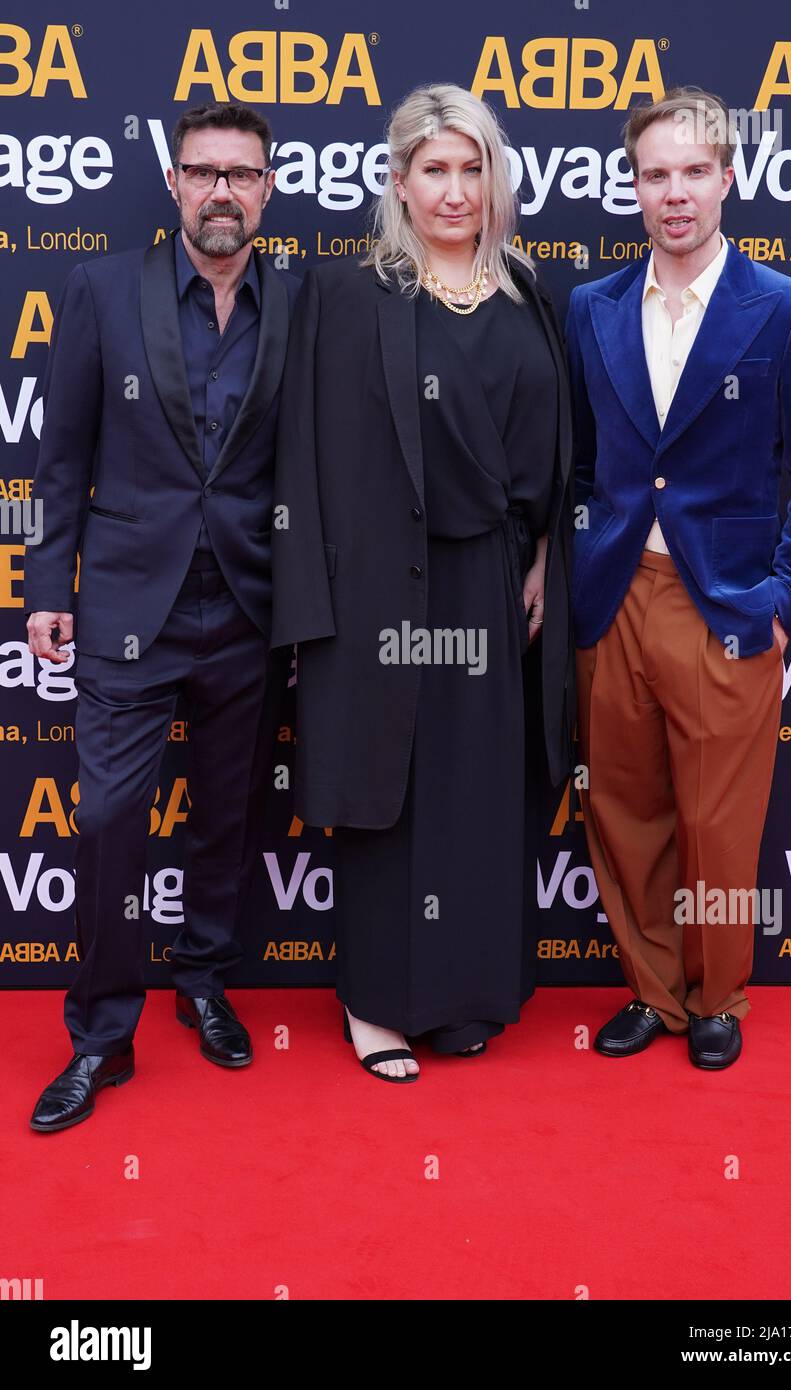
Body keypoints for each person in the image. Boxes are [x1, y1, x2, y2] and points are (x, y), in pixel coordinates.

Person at [270, 83, 574, 1082]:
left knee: (478, 795)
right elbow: (306, 464)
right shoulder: (353, 296)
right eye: (433, 170)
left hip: (495, 587)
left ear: (495, 179)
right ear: (398, 183)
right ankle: (377, 1005)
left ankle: (459, 994)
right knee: (389, 795)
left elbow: (557, 459)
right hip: (382, 593)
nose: (453, 191)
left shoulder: (535, 292)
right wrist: (312, 617)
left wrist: (535, 560)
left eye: (470, 168)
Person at [25, 101, 300, 1131]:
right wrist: (48, 590)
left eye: (241, 174)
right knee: (104, 818)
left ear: (267, 191)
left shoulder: (300, 303)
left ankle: (203, 976)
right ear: (175, 184)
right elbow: (59, 463)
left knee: (227, 814)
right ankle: (101, 1032)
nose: (221, 190)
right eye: (203, 172)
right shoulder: (102, 290)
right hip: (130, 605)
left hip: (248, 603)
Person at [565, 87, 791, 1069]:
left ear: (726, 178)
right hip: (612, 602)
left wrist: (788, 601)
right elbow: (580, 461)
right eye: (654, 174)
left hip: (726, 605)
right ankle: (650, 992)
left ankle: (715, 995)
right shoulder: (589, 307)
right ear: (631, 185)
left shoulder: (787, 307)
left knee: (717, 825)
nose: (673, 192)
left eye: (693, 172)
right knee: (623, 813)